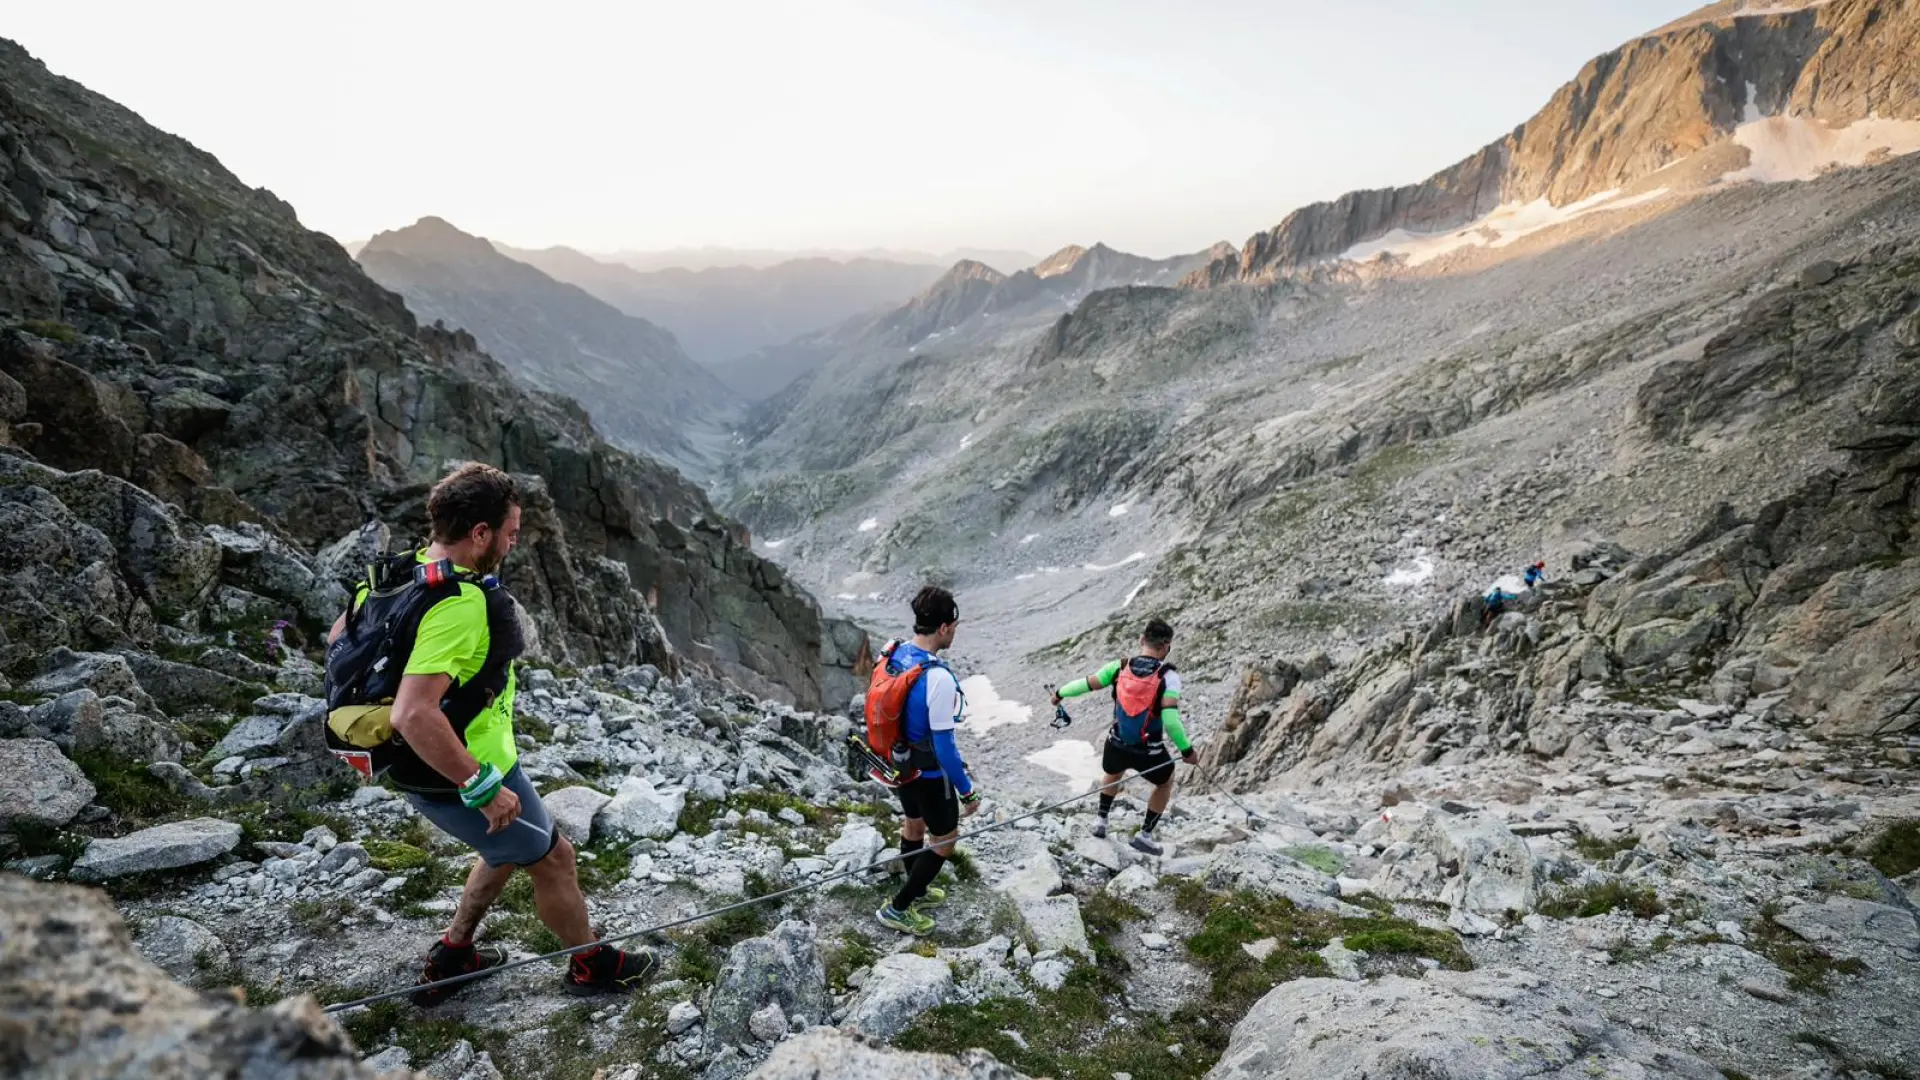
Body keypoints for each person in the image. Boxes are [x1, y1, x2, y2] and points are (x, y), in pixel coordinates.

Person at [327, 462, 654, 1004]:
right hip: (458, 770)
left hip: (470, 757)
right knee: (554, 859)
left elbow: (341, 642)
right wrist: (479, 786)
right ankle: (591, 964)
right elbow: (413, 713)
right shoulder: (458, 604)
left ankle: (454, 955)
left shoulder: (398, 572)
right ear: (480, 534)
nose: (513, 542)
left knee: (506, 850)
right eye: (510, 532)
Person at [874, 586, 980, 936]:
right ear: (945, 628)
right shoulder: (938, 677)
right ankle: (898, 908)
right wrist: (966, 791)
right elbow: (945, 747)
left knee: (913, 824)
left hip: (898, 763)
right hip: (930, 773)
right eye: (955, 625)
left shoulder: (895, 653)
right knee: (945, 840)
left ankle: (916, 889)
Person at [1050, 617, 1195, 856]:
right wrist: (1187, 750)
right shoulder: (1168, 677)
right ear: (1167, 647)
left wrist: (1059, 693)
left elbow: (1086, 684)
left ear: (1141, 640)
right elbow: (1170, 720)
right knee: (1165, 782)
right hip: (1149, 750)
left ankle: (1101, 821)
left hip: (1116, 743)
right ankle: (1145, 835)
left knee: (1113, 773)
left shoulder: (1119, 667)